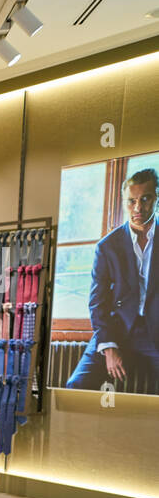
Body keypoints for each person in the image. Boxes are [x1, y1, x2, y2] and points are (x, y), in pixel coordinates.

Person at [66, 167, 159, 393]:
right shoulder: (107, 247)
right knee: (75, 387)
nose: (137, 208)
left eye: (145, 199)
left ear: (156, 198)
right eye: (131, 201)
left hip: (156, 333)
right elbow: (98, 302)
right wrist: (108, 346)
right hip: (117, 331)